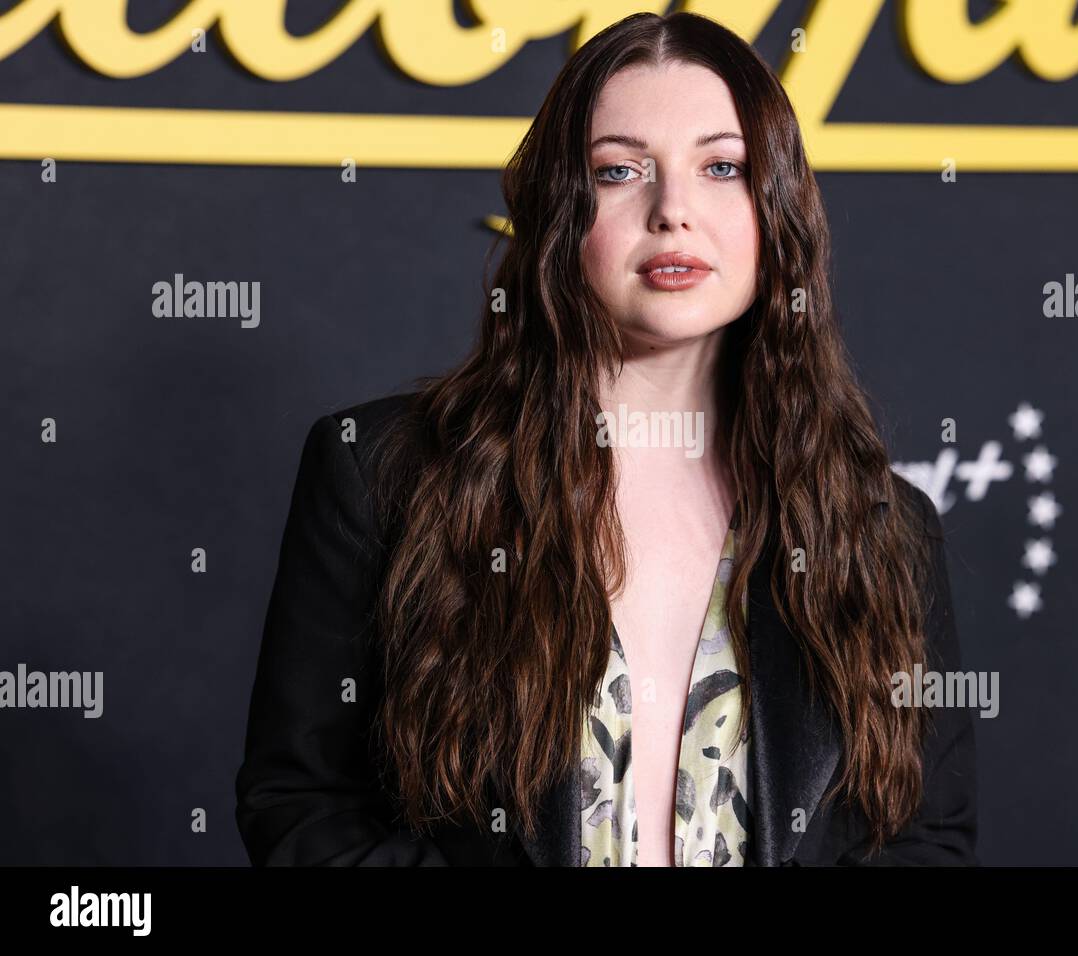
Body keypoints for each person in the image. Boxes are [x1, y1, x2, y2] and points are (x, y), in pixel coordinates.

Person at [235, 10, 977, 867]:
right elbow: (300, 808)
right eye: (620, 170)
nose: (673, 212)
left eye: (723, 167)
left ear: (777, 207)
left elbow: (928, 841)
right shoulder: (385, 473)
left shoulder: (885, 524)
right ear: (559, 210)